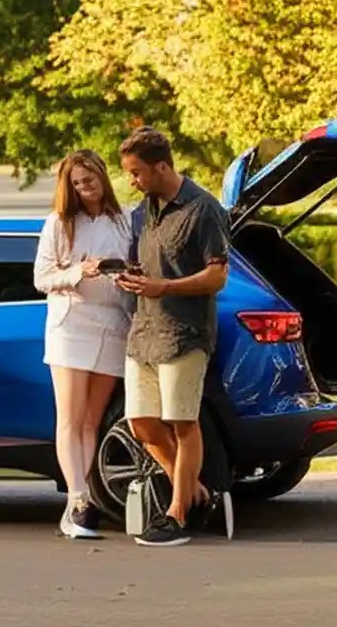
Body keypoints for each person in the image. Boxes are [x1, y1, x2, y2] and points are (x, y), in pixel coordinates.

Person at [114, 126, 232, 547]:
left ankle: (177, 514)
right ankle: (195, 491)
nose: (132, 180)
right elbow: (140, 266)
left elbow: (217, 275)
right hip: (143, 333)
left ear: (161, 165)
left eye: (136, 172)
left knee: (183, 423)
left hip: (185, 334)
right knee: (141, 423)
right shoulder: (140, 214)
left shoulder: (204, 209)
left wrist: (166, 287)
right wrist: (128, 279)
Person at [33, 149, 134, 539]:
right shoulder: (58, 223)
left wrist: (124, 277)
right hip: (71, 324)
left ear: (102, 176)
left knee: (92, 419)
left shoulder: (124, 221)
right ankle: (77, 499)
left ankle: (82, 496)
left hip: (111, 324)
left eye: (88, 179)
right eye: (75, 183)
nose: (83, 187)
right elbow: (42, 277)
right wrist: (80, 270)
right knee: (71, 418)